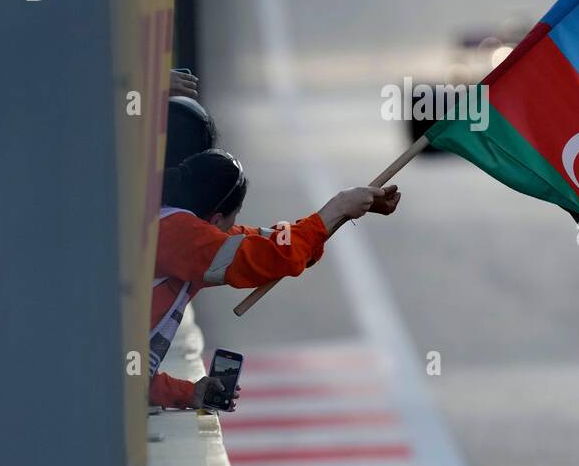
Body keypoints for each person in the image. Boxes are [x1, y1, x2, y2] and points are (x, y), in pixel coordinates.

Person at [149, 149, 400, 409]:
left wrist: (189, 393)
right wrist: (337, 206)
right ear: (215, 220)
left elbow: (278, 242)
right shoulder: (182, 236)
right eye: (233, 218)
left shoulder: (172, 226)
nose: (232, 228)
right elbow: (272, 255)